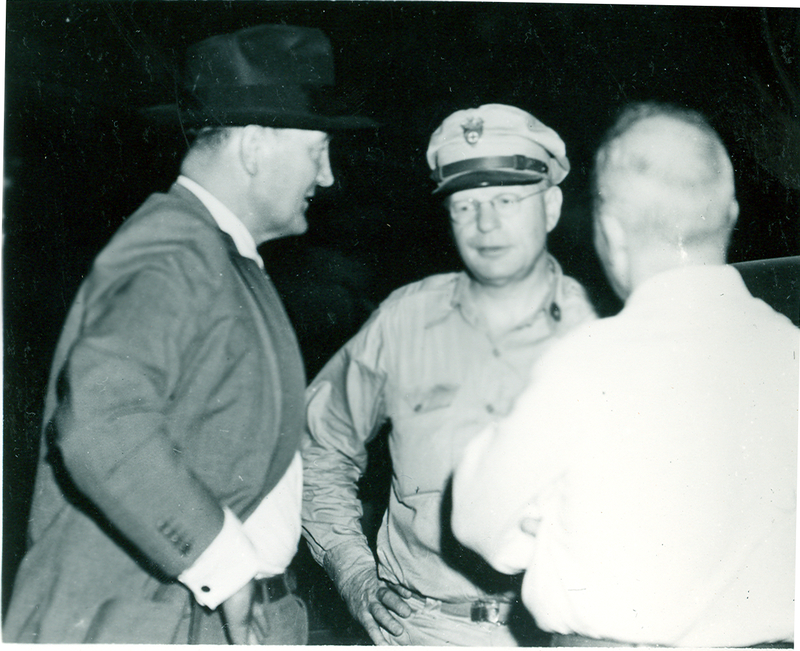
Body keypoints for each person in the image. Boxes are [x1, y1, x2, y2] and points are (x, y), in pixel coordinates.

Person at [3, 23, 374, 644]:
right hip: (160, 620)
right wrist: (226, 568)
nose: (329, 176)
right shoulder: (172, 248)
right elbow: (100, 422)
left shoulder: (219, 253)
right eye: (318, 151)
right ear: (255, 146)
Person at [451, 102, 798, 647]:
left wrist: (549, 530)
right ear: (729, 212)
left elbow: (479, 523)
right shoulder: (791, 353)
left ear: (609, 231)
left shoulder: (583, 364)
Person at [301, 103, 597, 645]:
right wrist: (352, 569)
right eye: (465, 205)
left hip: (556, 634)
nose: (486, 224)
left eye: (507, 199)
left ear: (550, 206)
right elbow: (318, 442)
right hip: (422, 630)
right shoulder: (405, 322)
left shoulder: (598, 339)